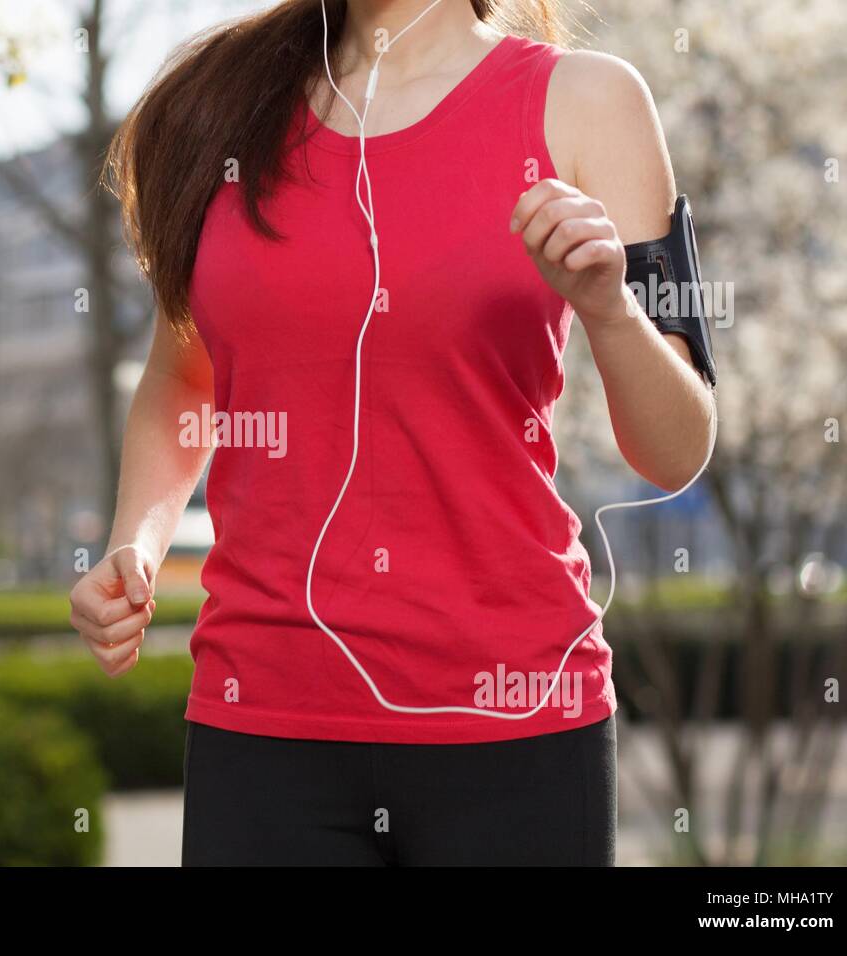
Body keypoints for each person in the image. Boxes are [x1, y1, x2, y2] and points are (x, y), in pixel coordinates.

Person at [69, 0, 716, 866]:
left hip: (512, 722)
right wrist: (135, 545)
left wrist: (609, 310)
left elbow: (677, 449)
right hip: (263, 718)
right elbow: (182, 378)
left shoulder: (588, 101)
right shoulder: (214, 106)